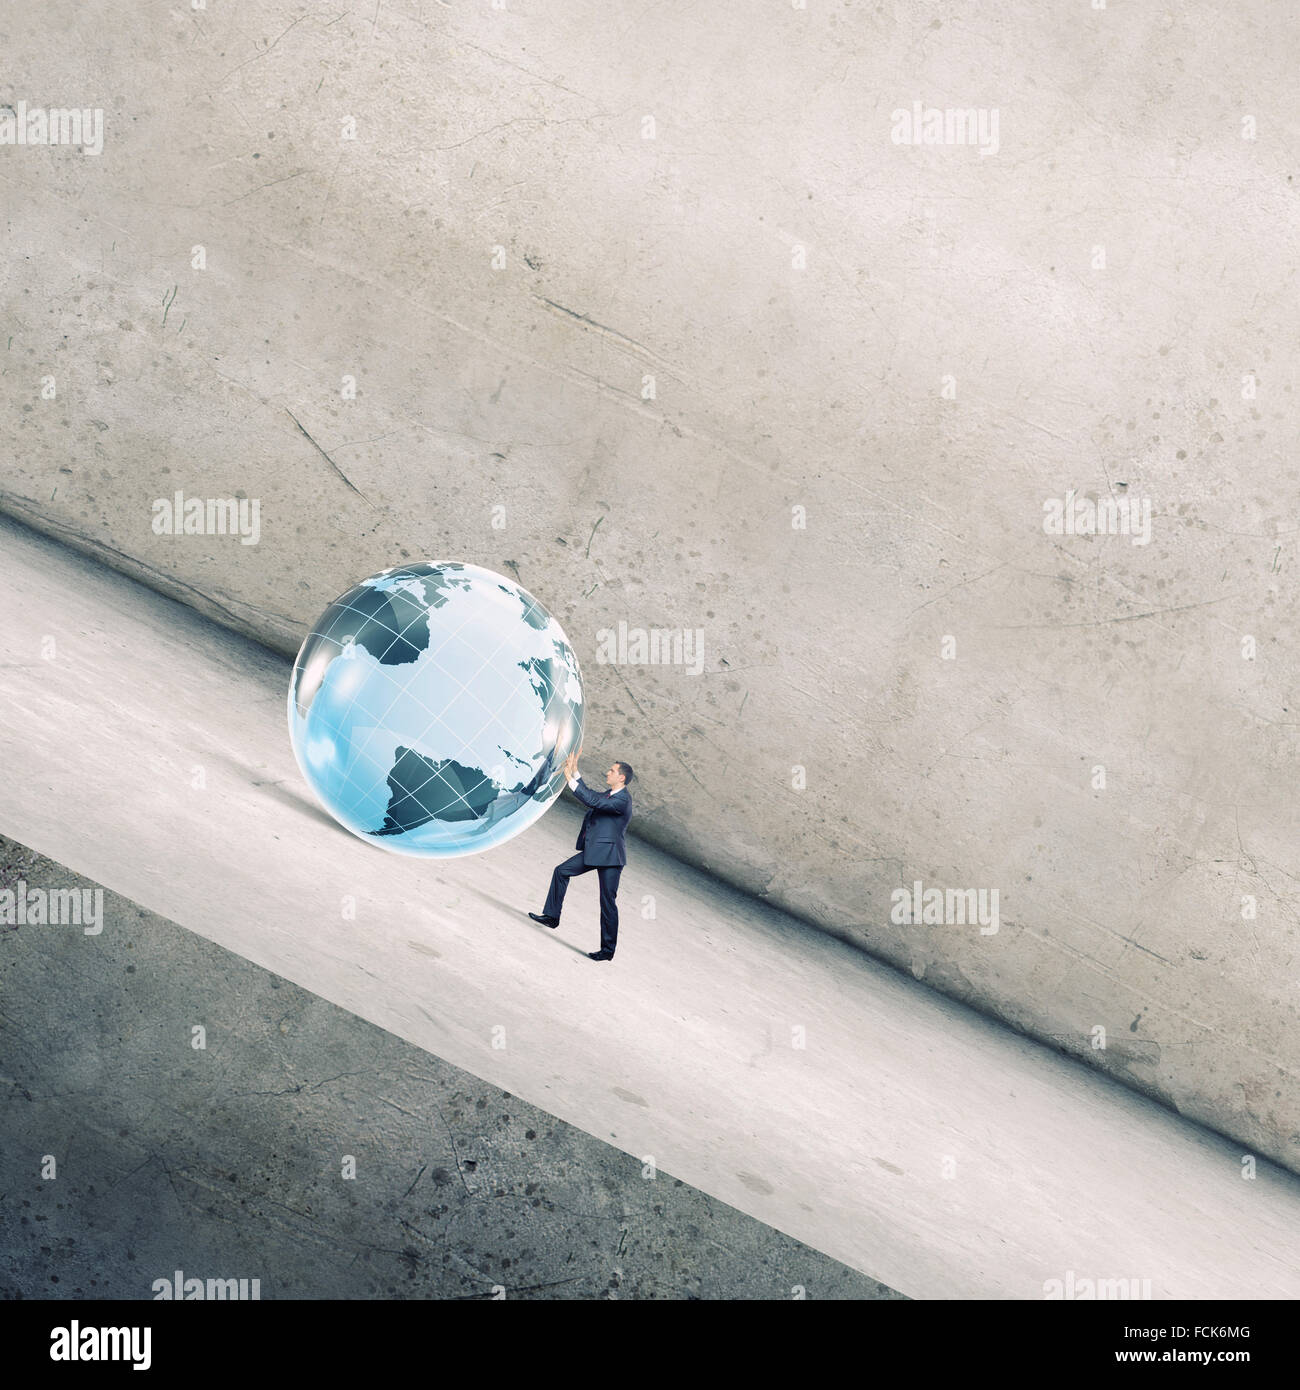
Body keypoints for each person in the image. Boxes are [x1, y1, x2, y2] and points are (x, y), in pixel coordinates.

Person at [529, 747, 634, 961]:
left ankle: (607, 951)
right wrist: (575, 772)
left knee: (607, 902)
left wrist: (569, 779)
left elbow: (593, 801)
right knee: (561, 871)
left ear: (621, 777)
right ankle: (551, 917)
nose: (608, 773)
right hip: (595, 852)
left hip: (611, 858)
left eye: (612, 771)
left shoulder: (623, 800)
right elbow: (594, 796)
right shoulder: (610, 794)